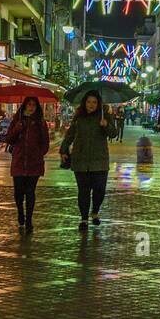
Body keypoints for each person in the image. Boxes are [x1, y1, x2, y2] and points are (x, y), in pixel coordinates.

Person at [60, 91, 113, 228]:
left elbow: (114, 133)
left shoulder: (104, 116)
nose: (91, 105)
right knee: (83, 190)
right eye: (89, 102)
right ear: (85, 102)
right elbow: (70, 135)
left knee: (99, 189)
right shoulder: (79, 117)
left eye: (94, 102)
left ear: (98, 104)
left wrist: (105, 125)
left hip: (99, 160)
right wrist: (64, 149)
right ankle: (84, 218)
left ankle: (95, 211)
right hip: (81, 159)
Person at [3, 97, 49, 233]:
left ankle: (29, 219)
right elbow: (9, 139)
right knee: (18, 192)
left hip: (34, 162)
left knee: (30, 192)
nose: (31, 107)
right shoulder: (17, 120)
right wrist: (18, 128)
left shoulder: (40, 122)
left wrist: (40, 153)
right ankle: (20, 212)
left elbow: (45, 141)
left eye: (34, 105)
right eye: (29, 104)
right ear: (24, 106)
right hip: (19, 161)